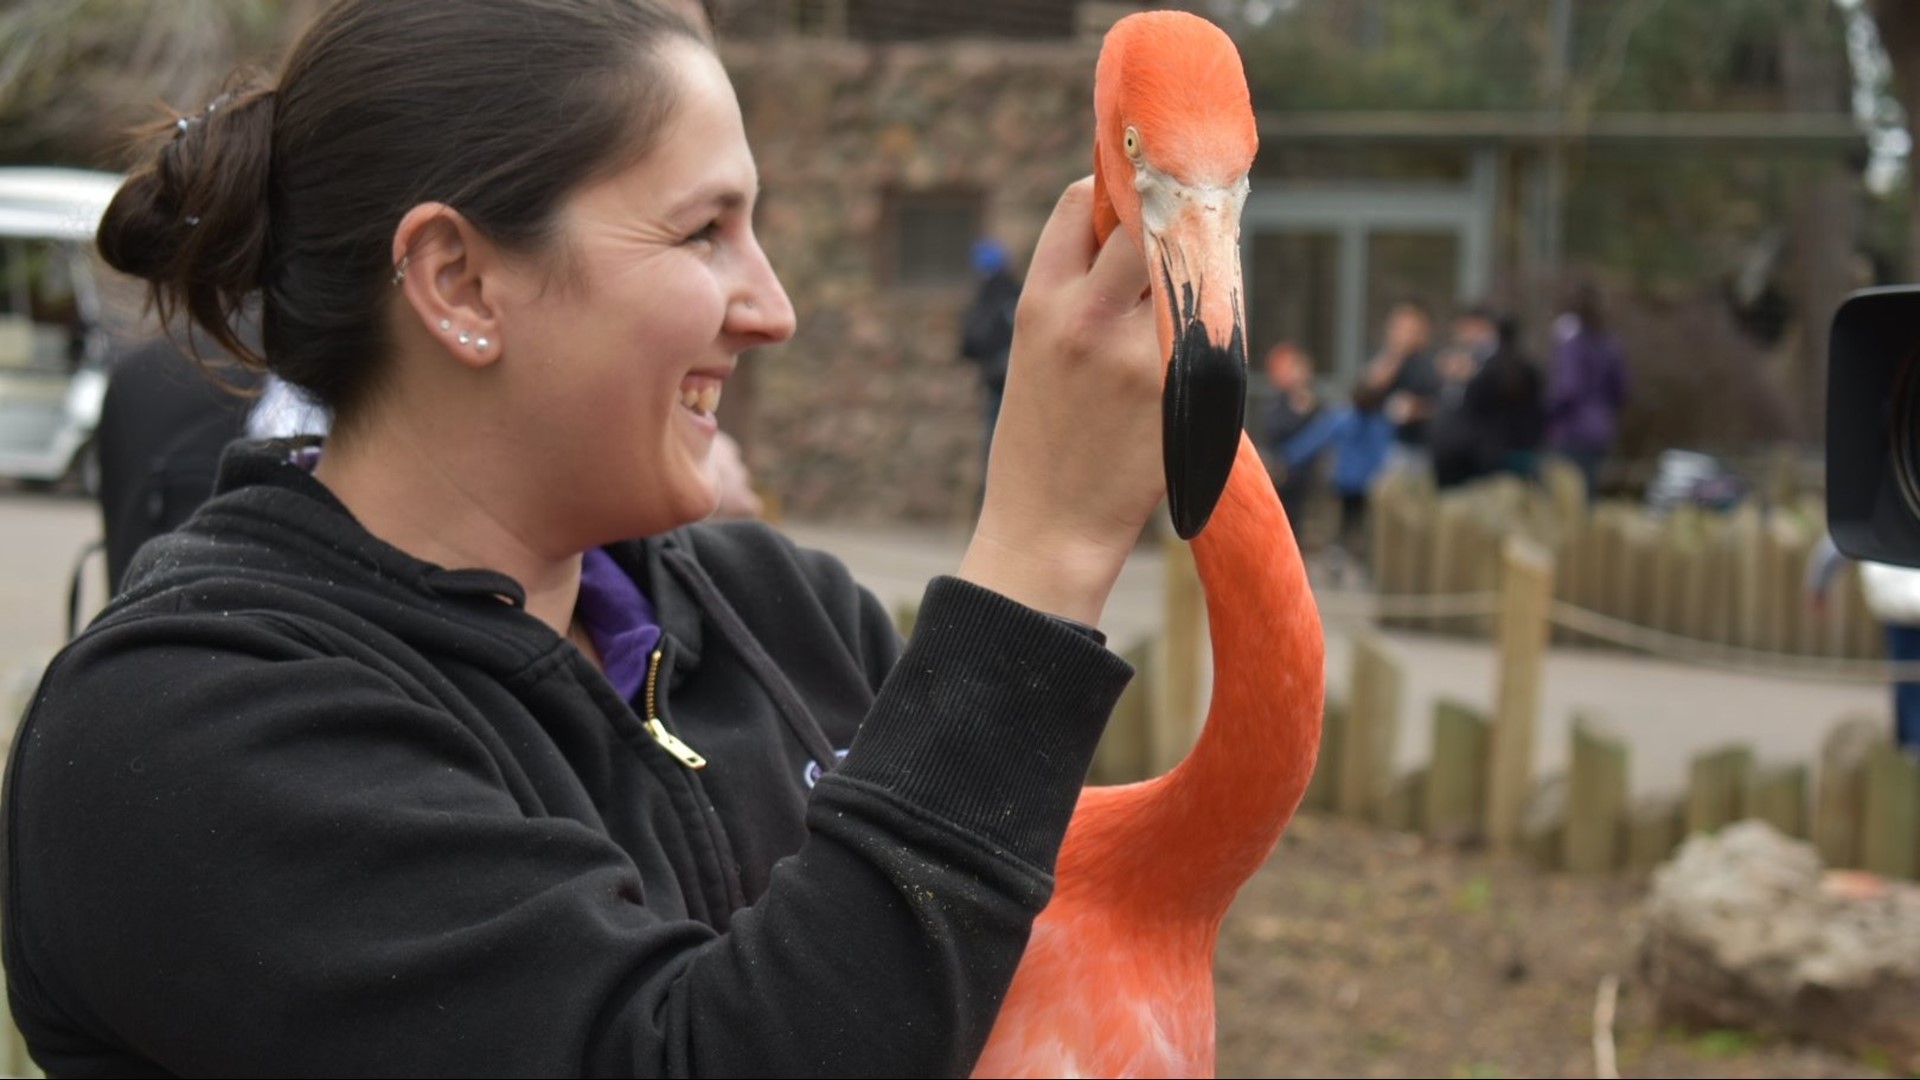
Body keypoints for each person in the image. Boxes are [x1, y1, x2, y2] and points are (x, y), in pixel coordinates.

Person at [0, 2, 1169, 1076]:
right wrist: (1040, 558)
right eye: (705, 231)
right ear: (459, 282)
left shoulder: (783, 613)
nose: (773, 310)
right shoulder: (190, 725)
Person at [1546, 281, 1630, 499]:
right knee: (1589, 490)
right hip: (1600, 428)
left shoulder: (1573, 344)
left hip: (1572, 430)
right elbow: (1621, 390)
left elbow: (1568, 388)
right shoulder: (1610, 344)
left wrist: (1548, 414)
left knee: (1568, 497)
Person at [1353, 297, 1440, 480]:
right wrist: (1393, 358)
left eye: (1409, 329)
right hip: (1375, 443)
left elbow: (1438, 404)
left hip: (1412, 446)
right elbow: (1361, 396)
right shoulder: (1385, 360)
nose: (1402, 335)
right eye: (1398, 328)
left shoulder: (1427, 365)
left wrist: (1415, 410)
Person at [959, 236, 1022, 454]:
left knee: (996, 433)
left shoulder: (986, 295)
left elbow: (970, 340)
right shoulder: (1014, 292)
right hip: (1013, 374)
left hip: (994, 374)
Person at [1254, 340, 1321, 540]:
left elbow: (1317, 438)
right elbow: (1272, 430)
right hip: (1279, 469)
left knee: (1295, 523)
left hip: (1300, 474)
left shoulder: (1313, 405)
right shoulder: (1278, 400)